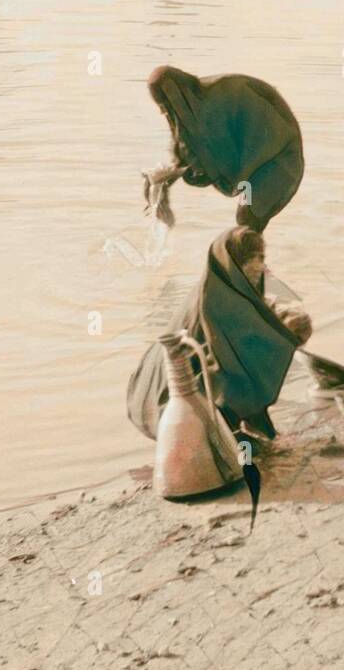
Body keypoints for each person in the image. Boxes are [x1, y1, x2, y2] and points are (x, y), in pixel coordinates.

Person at [127, 226, 312, 452]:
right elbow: (236, 371)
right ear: (232, 263)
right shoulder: (218, 303)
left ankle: (227, 431)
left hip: (166, 400)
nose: (259, 266)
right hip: (166, 405)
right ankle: (210, 437)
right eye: (250, 259)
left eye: (261, 257)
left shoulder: (225, 290)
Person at [142, 64, 305, 233]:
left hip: (278, 160)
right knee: (246, 222)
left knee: (248, 220)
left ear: (175, 97)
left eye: (166, 104)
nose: (163, 111)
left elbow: (221, 163)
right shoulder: (192, 104)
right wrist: (165, 179)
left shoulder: (214, 104)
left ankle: (248, 257)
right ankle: (246, 257)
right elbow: (192, 152)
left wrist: (176, 173)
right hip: (253, 167)